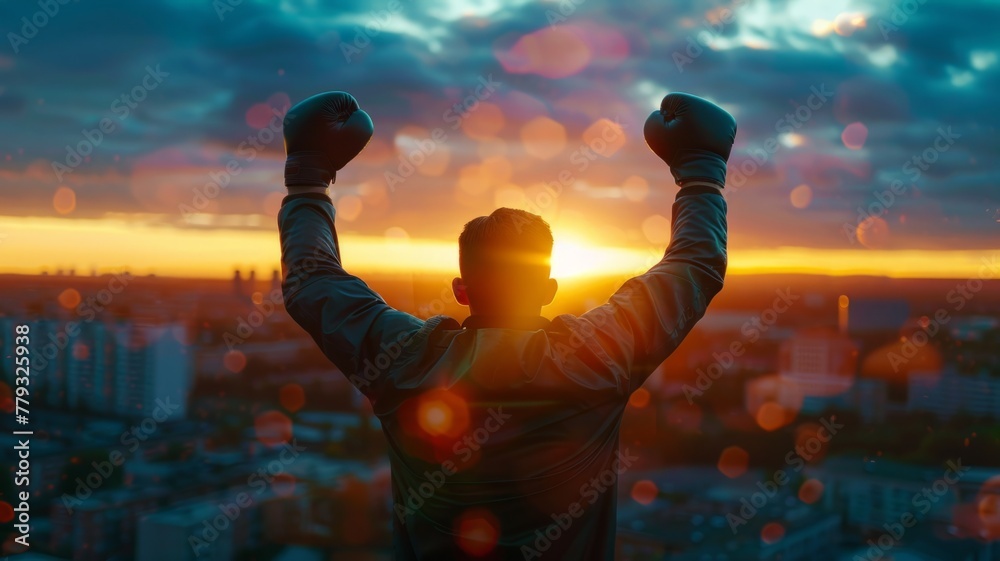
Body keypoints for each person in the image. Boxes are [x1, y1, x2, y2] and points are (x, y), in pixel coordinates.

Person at [277, 90, 736, 560]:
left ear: (461, 290)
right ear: (548, 289)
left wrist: (309, 179)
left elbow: (313, 281)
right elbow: (693, 267)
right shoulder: (596, 358)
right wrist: (700, 174)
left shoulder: (402, 360)